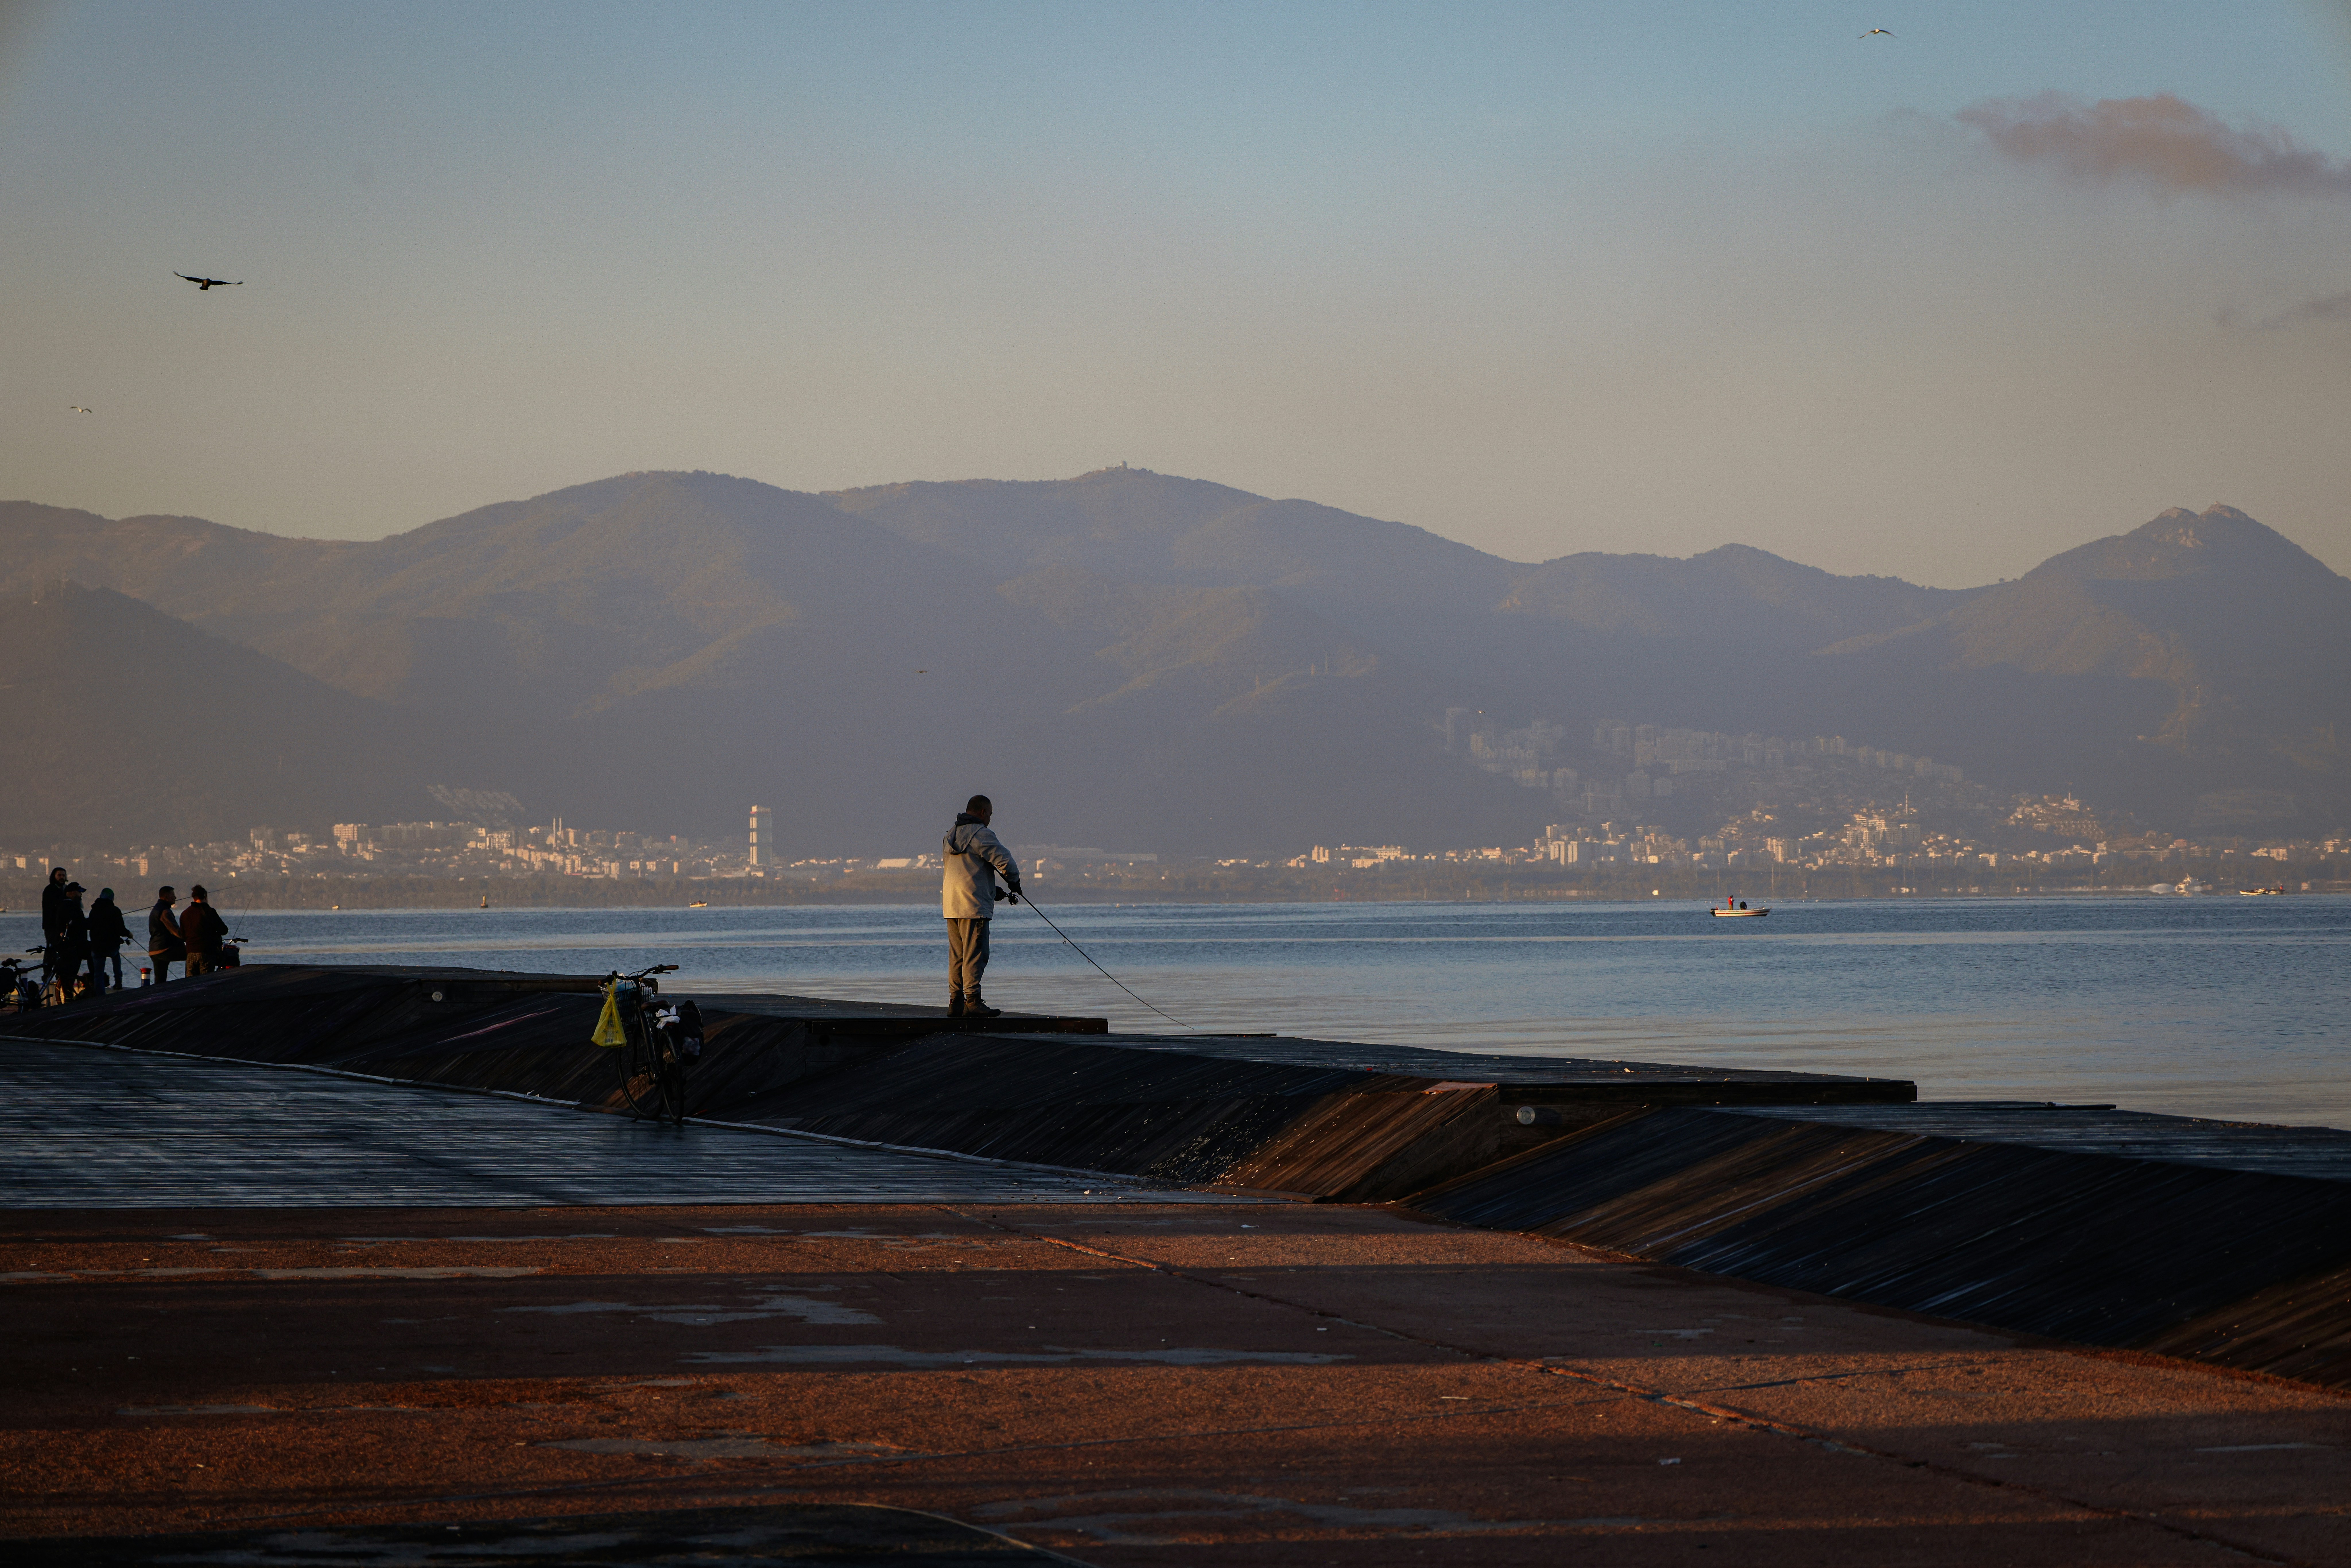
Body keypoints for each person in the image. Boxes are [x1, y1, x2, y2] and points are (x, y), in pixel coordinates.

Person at [940, 793, 1022, 1018]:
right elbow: (1005, 861)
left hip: (951, 905)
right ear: (983, 812)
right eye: (991, 814)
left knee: (957, 955)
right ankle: (974, 1002)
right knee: (976, 954)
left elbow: (967, 871)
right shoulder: (981, 834)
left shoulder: (950, 835)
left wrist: (992, 890)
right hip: (973, 907)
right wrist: (1014, 882)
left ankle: (955, 1002)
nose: (990, 819)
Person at [87, 888, 132, 993]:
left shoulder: (94, 911)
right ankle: (118, 982)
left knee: (98, 974)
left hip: (97, 947)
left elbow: (90, 926)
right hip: (112, 946)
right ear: (112, 899)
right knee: (116, 955)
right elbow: (121, 930)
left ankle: (100, 996)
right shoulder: (115, 911)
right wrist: (129, 934)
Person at [54, 882, 92, 1001]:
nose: (81, 895)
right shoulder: (70, 906)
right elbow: (78, 924)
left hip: (74, 945)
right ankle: (70, 998)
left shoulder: (66, 906)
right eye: (79, 892)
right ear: (71, 893)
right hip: (74, 946)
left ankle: (69, 997)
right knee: (70, 974)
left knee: (69, 975)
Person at [181, 884, 228, 977]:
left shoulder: (185, 914)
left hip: (190, 953)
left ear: (194, 898)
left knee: (190, 983)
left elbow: (183, 936)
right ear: (205, 896)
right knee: (205, 981)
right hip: (207, 953)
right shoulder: (210, 911)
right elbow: (224, 930)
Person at [148, 886, 185, 985]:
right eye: (173, 895)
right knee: (193, 953)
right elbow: (177, 933)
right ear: (167, 896)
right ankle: (191, 982)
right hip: (165, 949)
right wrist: (191, 938)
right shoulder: (165, 912)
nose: (176, 897)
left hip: (154, 950)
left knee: (160, 981)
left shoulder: (156, 909)